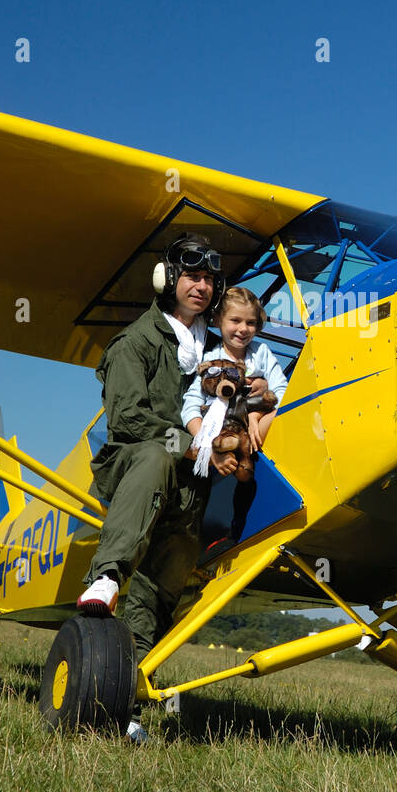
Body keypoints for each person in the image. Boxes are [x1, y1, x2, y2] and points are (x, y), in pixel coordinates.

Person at [76, 235, 238, 740]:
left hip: (189, 486)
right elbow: (128, 419)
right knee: (155, 451)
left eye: (210, 279)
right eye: (192, 276)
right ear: (168, 280)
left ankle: (127, 707)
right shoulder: (136, 343)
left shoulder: (214, 349)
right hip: (136, 463)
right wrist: (189, 446)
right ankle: (106, 575)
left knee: (158, 593)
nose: (202, 286)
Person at [181, 286, 288, 474]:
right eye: (235, 320)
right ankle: (226, 451)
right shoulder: (211, 361)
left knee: (288, 412)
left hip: (253, 427)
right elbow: (191, 404)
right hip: (220, 431)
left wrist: (257, 414)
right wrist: (204, 442)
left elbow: (283, 392)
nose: (243, 329)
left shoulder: (261, 352)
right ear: (218, 321)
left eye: (251, 322)